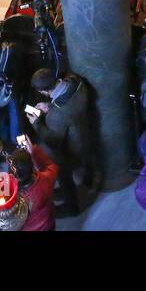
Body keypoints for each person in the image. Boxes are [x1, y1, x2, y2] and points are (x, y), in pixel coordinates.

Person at [29, 67, 94, 218]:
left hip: (72, 146)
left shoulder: (56, 115)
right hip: (86, 130)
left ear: (44, 92)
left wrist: (37, 122)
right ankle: (88, 181)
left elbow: (54, 140)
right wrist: (50, 106)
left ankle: (72, 206)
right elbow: (68, 102)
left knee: (61, 170)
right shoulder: (75, 81)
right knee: (86, 159)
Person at [9, 143, 59, 232]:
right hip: (48, 225)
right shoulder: (45, 181)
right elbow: (53, 167)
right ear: (32, 167)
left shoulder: (10, 196)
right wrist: (34, 151)